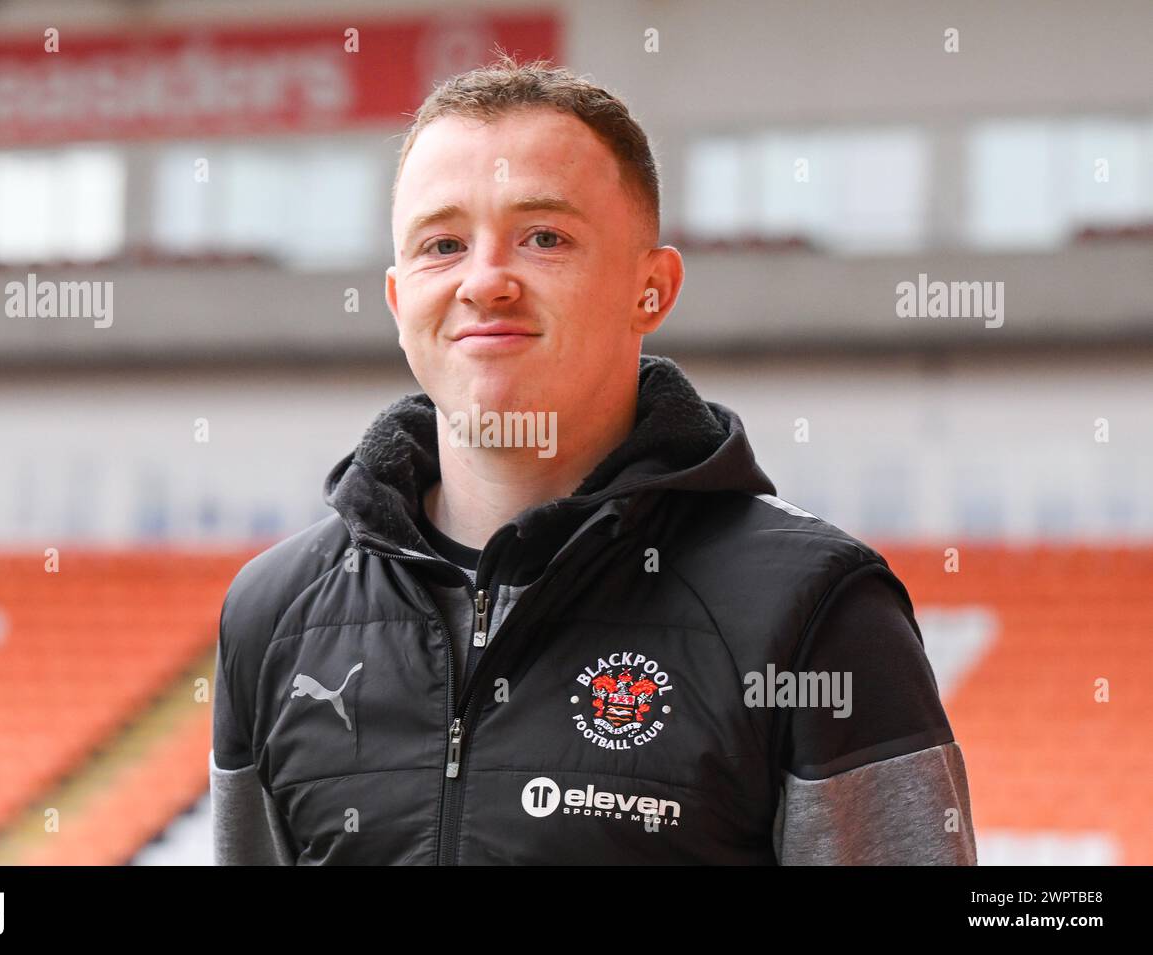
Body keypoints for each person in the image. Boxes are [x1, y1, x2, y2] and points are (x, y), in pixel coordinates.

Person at [210, 53, 977, 865]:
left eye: (544, 236)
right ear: (400, 302)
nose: (485, 281)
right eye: (442, 243)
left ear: (652, 288)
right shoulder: (273, 614)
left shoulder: (812, 609)